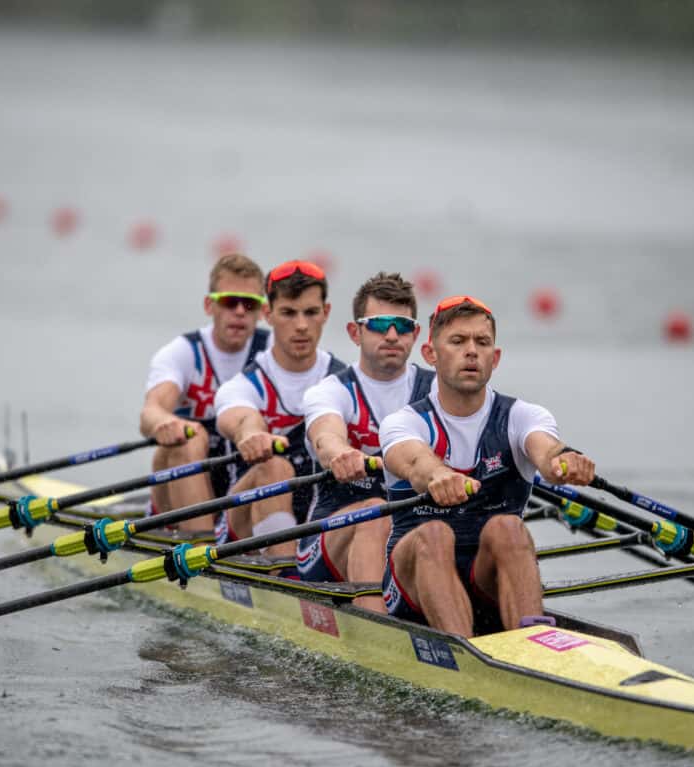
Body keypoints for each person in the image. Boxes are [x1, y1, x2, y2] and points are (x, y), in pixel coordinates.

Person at [379, 295, 596, 636]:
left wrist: (564, 461)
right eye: (457, 341)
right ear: (430, 354)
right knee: (435, 533)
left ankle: (534, 644)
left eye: (481, 342)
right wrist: (438, 476)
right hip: (413, 587)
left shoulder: (523, 416)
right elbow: (416, 461)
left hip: (487, 581)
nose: (471, 351)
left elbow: (547, 449)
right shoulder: (403, 423)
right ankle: (467, 655)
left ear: (494, 358)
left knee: (508, 527)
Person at [299, 273, 433, 609]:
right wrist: (341, 454)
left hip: (410, 532)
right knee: (375, 512)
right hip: (330, 541)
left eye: (402, 326)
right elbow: (325, 436)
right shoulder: (331, 391)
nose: (391, 335)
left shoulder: (437, 392)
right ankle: (380, 631)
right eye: (378, 324)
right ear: (355, 332)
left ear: (415, 334)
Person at [214, 260, 346, 560]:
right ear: (268, 314)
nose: (301, 325)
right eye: (288, 312)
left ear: (325, 313)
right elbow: (241, 417)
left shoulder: (344, 382)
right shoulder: (245, 385)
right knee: (275, 468)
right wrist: (251, 435)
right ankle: (285, 573)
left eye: (311, 313)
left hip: (316, 523)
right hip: (242, 526)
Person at [139, 254, 269, 531]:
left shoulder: (274, 354)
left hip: (241, 494)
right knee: (188, 438)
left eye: (249, 304)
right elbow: (150, 411)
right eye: (229, 302)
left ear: (262, 311)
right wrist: (165, 423)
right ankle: (200, 546)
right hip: (177, 493)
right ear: (209, 305)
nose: (239, 312)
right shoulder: (183, 353)